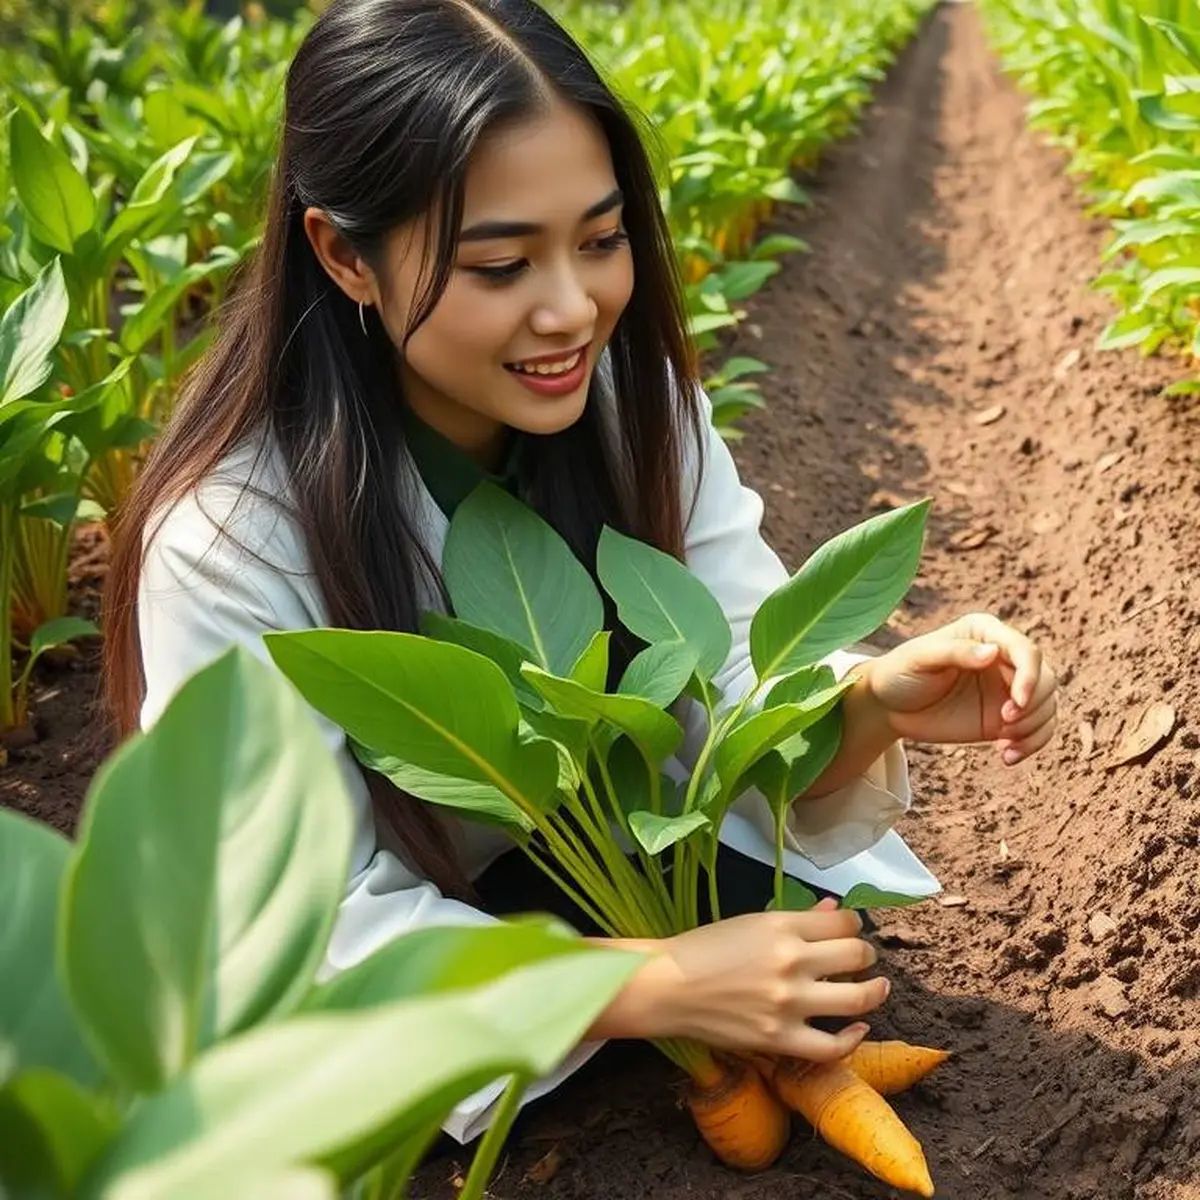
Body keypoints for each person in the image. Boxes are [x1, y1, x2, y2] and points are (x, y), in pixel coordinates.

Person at [102, 0, 1058, 1146]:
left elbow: (738, 682)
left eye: (600, 242)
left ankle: (746, 1061)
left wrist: (868, 700)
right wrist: (649, 983)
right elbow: (279, 934)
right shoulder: (229, 546)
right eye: (501, 263)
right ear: (343, 254)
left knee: (805, 946)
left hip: (580, 882)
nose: (573, 310)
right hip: (413, 972)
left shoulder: (636, 407)